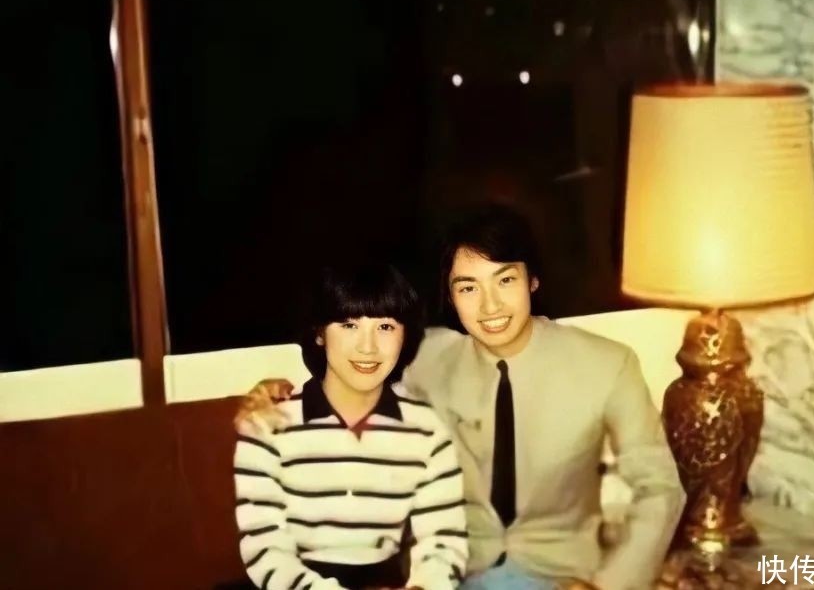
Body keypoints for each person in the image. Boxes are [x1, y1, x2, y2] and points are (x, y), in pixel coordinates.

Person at [238, 205, 685, 589]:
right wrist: (273, 391)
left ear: (532, 280)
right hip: (453, 573)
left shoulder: (607, 365)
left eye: (504, 280)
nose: (490, 306)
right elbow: (355, 368)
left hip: (563, 575)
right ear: (451, 297)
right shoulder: (427, 357)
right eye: (468, 287)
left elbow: (660, 489)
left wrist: (606, 585)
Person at [232, 263, 467, 590]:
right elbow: (265, 548)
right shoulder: (267, 423)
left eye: (385, 326)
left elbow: (443, 540)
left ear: (405, 337)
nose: (367, 347)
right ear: (319, 333)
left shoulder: (427, 429)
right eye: (348, 325)